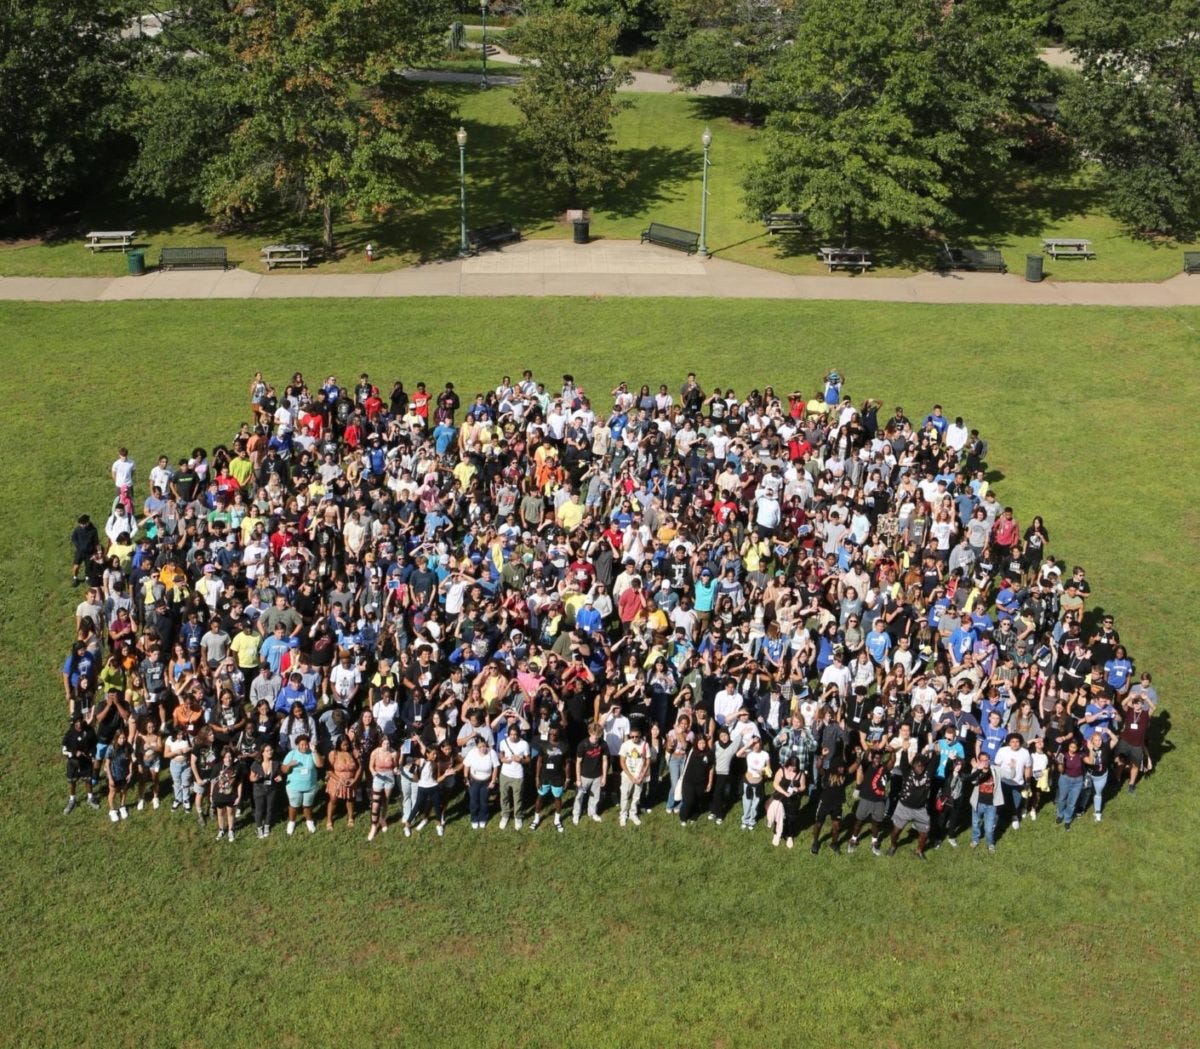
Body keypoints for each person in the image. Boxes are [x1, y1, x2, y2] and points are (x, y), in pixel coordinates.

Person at [887, 755, 932, 859]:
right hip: (904, 808)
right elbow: (903, 763)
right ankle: (893, 846)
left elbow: (934, 762)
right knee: (896, 831)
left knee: (924, 834)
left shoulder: (927, 774)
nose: (920, 767)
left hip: (920, 810)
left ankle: (919, 851)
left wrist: (937, 753)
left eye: (922, 765)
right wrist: (904, 750)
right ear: (913, 765)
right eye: (918, 765)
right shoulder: (907, 773)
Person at [846, 750, 891, 856]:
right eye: (875, 757)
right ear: (872, 758)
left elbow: (892, 761)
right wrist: (869, 748)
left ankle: (874, 841)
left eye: (879, 758)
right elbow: (865, 757)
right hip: (866, 799)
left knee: (876, 823)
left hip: (879, 801)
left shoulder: (884, 768)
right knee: (859, 821)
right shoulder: (867, 765)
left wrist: (892, 752)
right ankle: (853, 839)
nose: (877, 759)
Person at [281, 733, 323, 835]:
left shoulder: (312, 753)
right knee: (294, 806)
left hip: (310, 785)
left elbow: (320, 765)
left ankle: (309, 821)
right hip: (294, 786)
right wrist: (289, 764)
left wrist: (314, 751)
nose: (304, 747)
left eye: (306, 744)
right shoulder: (292, 754)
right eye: (302, 745)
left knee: (308, 805)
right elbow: (283, 770)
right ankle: (292, 822)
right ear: (297, 745)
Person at [531, 726, 568, 833]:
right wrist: (537, 777)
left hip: (558, 777)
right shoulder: (544, 745)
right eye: (550, 733)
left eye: (554, 734)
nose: (552, 736)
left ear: (558, 734)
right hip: (544, 777)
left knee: (557, 797)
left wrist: (568, 778)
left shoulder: (564, 746)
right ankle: (536, 819)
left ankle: (557, 820)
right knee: (540, 796)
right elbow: (539, 762)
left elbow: (567, 764)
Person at [573, 721, 607, 824]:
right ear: (590, 733)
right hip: (584, 776)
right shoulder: (583, 745)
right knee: (579, 796)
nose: (596, 738)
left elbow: (605, 760)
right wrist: (578, 779)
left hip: (597, 775)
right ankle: (576, 814)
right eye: (594, 735)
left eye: (598, 736)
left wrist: (604, 777)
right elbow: (578, 762)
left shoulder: (603, 744)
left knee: (595, 796)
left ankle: (592, 812)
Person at [62, 714, 97, 813]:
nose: (79, 723)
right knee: (72, 781)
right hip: (73, 762)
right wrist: (74, 753)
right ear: (73, 723)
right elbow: (64, 750)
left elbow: (94, 744)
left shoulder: (89, 731)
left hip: (86, 761)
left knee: (88, 780)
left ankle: (90, 798)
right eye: (77, 722)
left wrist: (92, 754)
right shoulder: (69, 734)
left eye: (80, 721)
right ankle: (72, 800)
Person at [497, 722, 530, 830]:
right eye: (511, 734)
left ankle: (518, 816)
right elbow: (501, 753)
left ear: (519, 734)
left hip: (518, 775)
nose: (513, 737)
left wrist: (521, 760)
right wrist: (502, 759)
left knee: (518, 797)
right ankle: (505, 815)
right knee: (504, 796)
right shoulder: (503, 742)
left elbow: (528, 759)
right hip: (505, 774)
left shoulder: (524, 744)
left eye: (515, 734)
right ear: (508, 734)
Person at [463, 734, 499, 830]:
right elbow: (466, 765)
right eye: (480, 747)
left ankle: (483, 818)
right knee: (474, 801)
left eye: (484, 746)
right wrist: (466, 778)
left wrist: (493, 781)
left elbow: (495, 768)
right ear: (476, 747)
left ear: (486, 744)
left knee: (484, 801)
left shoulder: (492, 753)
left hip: (486, 781)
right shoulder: (472, 753)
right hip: (474, 781)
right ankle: (474, 818)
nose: (483, 748)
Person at [967, 751, 1002, 852]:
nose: (985, 762)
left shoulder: (995, 769)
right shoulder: (976, 770)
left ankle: (990, 843)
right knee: (975, 823)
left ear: (989, 760)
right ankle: (975, 839)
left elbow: (1011, 775)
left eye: (986, 760)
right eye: (982, 760)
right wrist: (976, 768)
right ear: (979, 761)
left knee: (989, 828)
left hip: (991, 805)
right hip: (978, 803)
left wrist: (1012, 767)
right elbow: (973, 781)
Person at [324, 736, 360, 831]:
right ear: (339, 744)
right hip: (336, 781)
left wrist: (355, 779)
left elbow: (360, 767)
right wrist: (339, 780)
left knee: (350, 799)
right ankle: (329, 820)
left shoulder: (353, 752)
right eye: (344, 745)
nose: (346, 747)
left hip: (350, 781)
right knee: (333, 800)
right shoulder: (334, 753)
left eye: (347, 744)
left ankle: (350, 817)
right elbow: (329, 770)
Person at [677, 733, 714, 825]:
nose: (702, 745)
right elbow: (683, 742)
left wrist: (710, 782)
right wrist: (680, 732)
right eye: (700, 743)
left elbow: (711, 768)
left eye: (703, 743)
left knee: (697, 800)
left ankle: (694, 816)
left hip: (701, 782)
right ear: (696, 743)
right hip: (688, 781)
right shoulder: (691, 749)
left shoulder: (709, 753)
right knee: (688, 800)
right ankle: (683, 817)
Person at [810, 762, 847, 854]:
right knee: (818, 824)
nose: (842, 769)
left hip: (837, 803)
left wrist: (858, 757)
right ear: (835, 767)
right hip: (825, 802)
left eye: (843, 767)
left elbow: (855, 765)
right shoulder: (828, 772)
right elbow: (819, 767)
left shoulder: (845, 774)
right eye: (840, 767)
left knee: (836, 826)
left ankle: (834, 844)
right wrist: (822, 757)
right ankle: (815, 842)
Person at [737, 733, 771, 831]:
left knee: (755, 803)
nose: (756, 745)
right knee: (747, 802)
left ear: (761, 743)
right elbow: (738, 754)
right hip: (747, 782)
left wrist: (763, 772)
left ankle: (752, 820)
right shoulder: (749, 753)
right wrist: (748, 744)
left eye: (757, 743)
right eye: (754, 743)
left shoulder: (765, 754)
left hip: (758, 783)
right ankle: (745, 820)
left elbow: (769, 771)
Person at [249, 742, 284, 838]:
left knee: (270, 808)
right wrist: (255, 778)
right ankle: (259, 827)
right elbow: (251, 778)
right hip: (259, 790)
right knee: (259, 810)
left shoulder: (276, 763)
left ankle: (267, 826)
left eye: (271, 750)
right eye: (267, 751)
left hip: (271, 789)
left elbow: (279, 773)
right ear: (262, 753)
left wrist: (280, 777)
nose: (270, 752)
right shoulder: (256, 764)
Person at [618, 725, 650, 827]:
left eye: (637, 736)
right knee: (625, 795)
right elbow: (622, 762)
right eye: (632, 737)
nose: (634, 738)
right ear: (630, 736)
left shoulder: (645, 745)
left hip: (639, 775)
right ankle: (623, 815)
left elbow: (647, 761)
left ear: (640, 735)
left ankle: (633, 814)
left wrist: (642, 775)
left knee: (636, 797)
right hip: (627, 775)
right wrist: (630, 776)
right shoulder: (625, 745)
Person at [210, 749, 242, 842]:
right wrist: (211, 795)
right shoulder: (217, 767)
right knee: (220, 813)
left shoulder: (237, 767)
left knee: (230, 813)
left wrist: (239, 796)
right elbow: (213, 782)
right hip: (219, 795)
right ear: (223, 758)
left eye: (230, 756)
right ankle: (221, 830)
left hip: (231, 795)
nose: (229, 759)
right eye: (226, 757)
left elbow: (240, 783)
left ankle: (231, 830)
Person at [103, 728, 134, 822]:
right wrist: (110, 778)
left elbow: (130, 760)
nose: (122, 740)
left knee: (123, 791)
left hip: (124, 774)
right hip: (114, 775)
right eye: (120, 738)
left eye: (124, 738)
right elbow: (107, 764)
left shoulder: (128, 746)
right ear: (116, 738)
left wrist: (130, 772)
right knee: (112, 792)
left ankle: (122, 806)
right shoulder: (111, 748)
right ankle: (112, 810)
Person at [1055, 738, 1085, 830]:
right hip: (1065, 779)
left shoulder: (1080, 755)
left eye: (1074, 747)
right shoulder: (1063, 755)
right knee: (1062, 798)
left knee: (1072, 802)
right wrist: (1060, 763)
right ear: (1068, 746)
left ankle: (1067, 819)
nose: (1072, 749)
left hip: (1078, 781)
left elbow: (1089, 761)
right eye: (1071, 747)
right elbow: (1061, 771)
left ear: (1077, 748)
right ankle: (1060, 814)